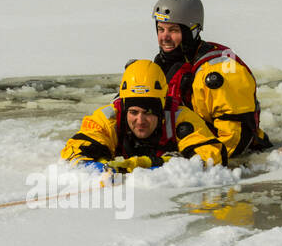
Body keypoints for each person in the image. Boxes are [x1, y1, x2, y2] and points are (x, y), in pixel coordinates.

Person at [151, 0, 272, 159]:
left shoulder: (221, 72)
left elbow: (235, 139)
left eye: (173, 30)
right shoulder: (167, 64)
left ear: (191, 31)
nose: (164, 37)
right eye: (160, 29)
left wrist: (198, 161)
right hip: (185, 148)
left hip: (220, 156)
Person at [62, 60, 224, 169]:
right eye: (133, 112)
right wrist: (103, 166)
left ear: (161, 110)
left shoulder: (181, 118)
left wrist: (155, 163)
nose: (140, 120)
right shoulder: (108, 118)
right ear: (124, 109)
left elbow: (211, 156)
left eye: (148, 113)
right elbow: (74, 152)